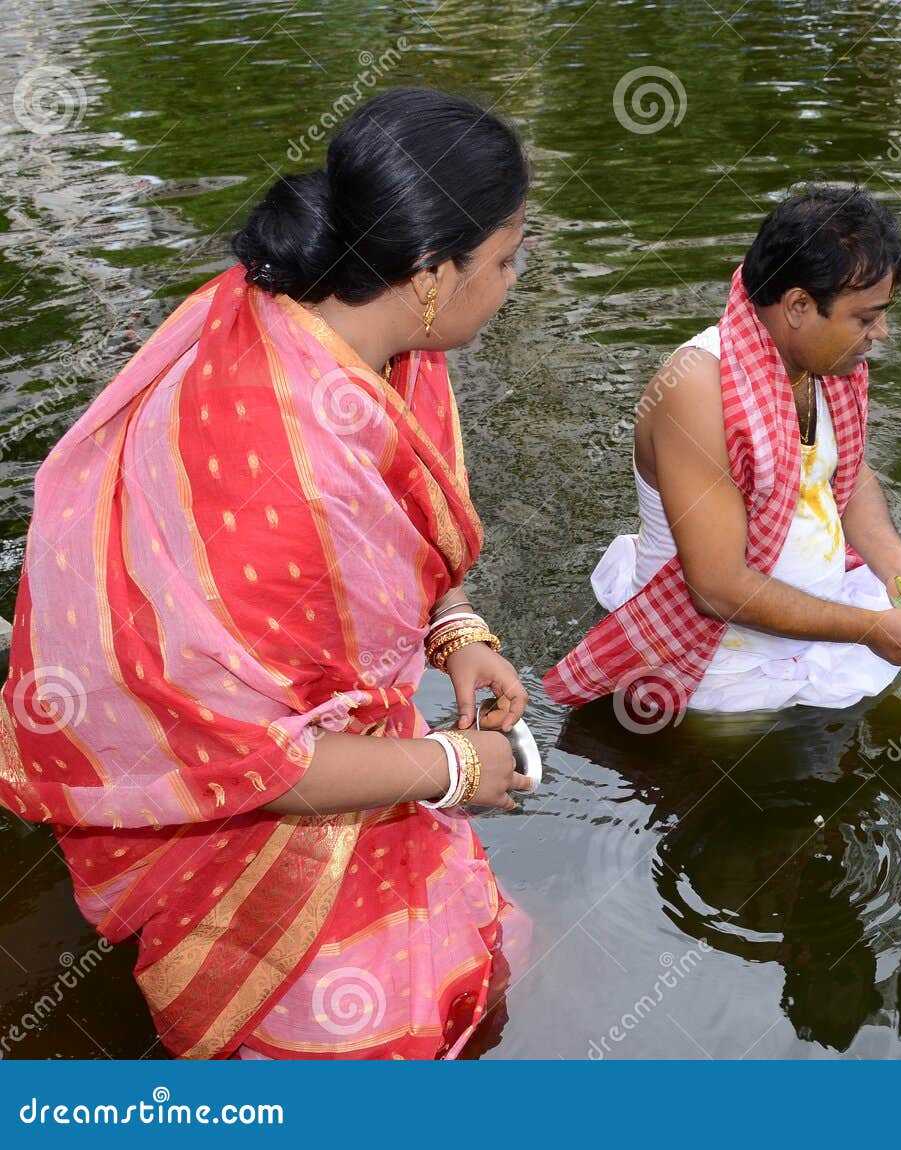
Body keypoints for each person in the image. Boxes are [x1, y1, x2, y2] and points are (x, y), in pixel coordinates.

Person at [0, 87, 537, 1059]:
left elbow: (400, 531)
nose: (510, 284)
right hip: (244, 814)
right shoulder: (281, 461)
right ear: (430, 272)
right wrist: (457, 767)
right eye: (504, 260)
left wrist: (455, 628)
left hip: (357, 743)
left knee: (474, 983)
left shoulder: (353, 331)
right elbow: (255, 762)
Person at [544, 186, 901, 717]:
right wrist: (871, 630)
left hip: (827, 621)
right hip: (719, 660)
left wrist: (899, 574)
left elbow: (844, 477)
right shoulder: (697, 388)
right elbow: (716, 588)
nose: (882, 334)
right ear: (799, 306)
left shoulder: (821, 362)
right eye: (866, 318)